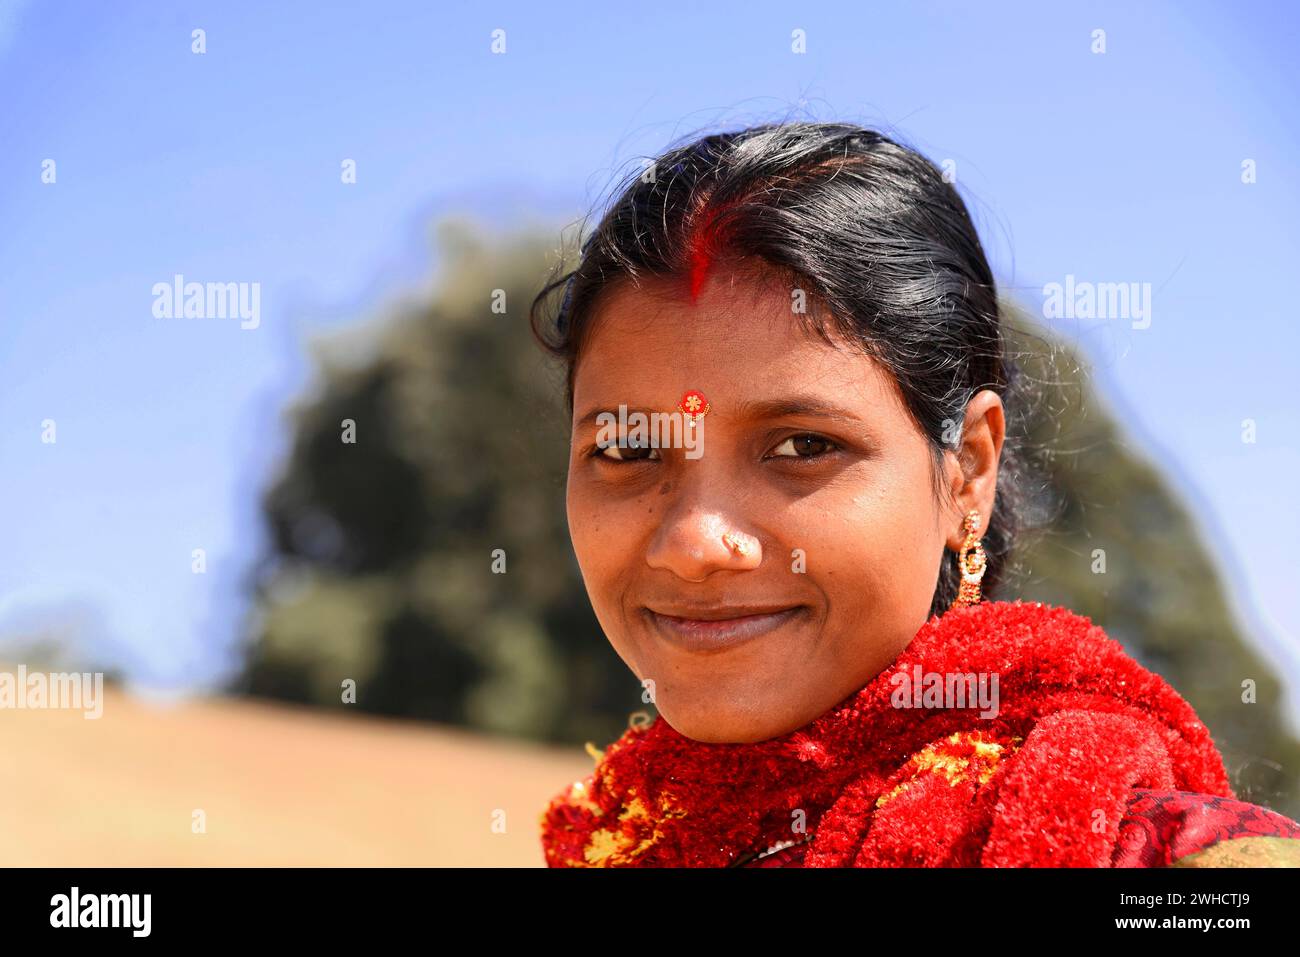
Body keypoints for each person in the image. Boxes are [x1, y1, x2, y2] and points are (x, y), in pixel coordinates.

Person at [529, 121, 1300, 867]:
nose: (693, 542)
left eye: (803, 445)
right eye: (629, 448)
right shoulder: (613, 836)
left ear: (966, 469)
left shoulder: (1176, 860)